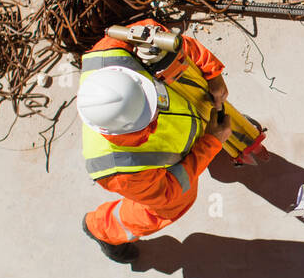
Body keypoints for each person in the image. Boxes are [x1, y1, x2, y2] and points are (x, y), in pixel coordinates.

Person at [76, 18, 232, 263]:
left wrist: (211, 72)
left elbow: (168, 41)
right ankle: (103, 229)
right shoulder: (118, 169)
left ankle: (208, 136)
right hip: (166, 178)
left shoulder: (112, 51)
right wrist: (211, 143)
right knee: (175, 204)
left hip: (187, 117)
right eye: (149, 117)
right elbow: (170, 190)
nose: (157, 112)